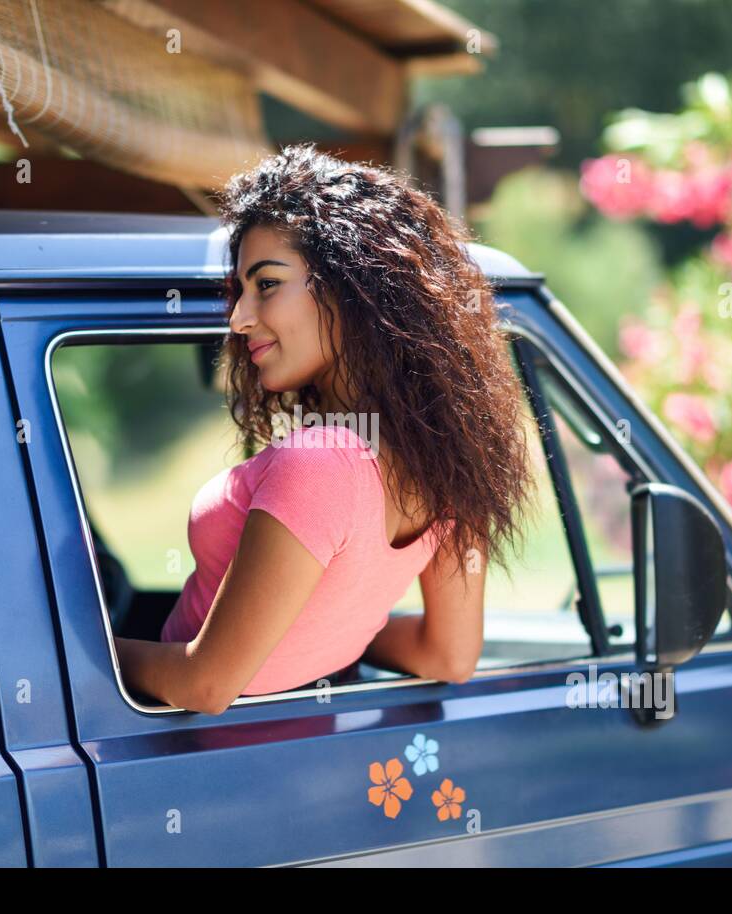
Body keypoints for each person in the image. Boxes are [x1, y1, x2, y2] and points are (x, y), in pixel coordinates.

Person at [112, 143, 536, 714]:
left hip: (189, 756)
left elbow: (206, 685)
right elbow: (448, 655)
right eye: (240, 290)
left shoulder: (318, 463)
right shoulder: (450, 459)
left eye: (266, 284)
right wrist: (332, 634)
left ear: (353, 287)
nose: (237, 318)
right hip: (299, 758)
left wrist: (80, 655)